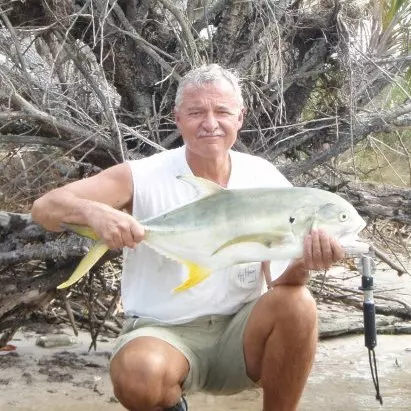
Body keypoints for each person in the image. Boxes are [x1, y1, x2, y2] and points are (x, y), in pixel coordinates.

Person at [31, 64, 345, 411]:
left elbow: (281, 285)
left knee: (299, 303)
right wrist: (96, 213)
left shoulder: (264, 176)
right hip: (165, 332)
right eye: (196, 112)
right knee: (139, 376)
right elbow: (45, 207)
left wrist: (305, 264)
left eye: (222, 111)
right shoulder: (144, 175)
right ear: (177, 118)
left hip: (239, 335)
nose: (210, 123)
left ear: (240, 117)